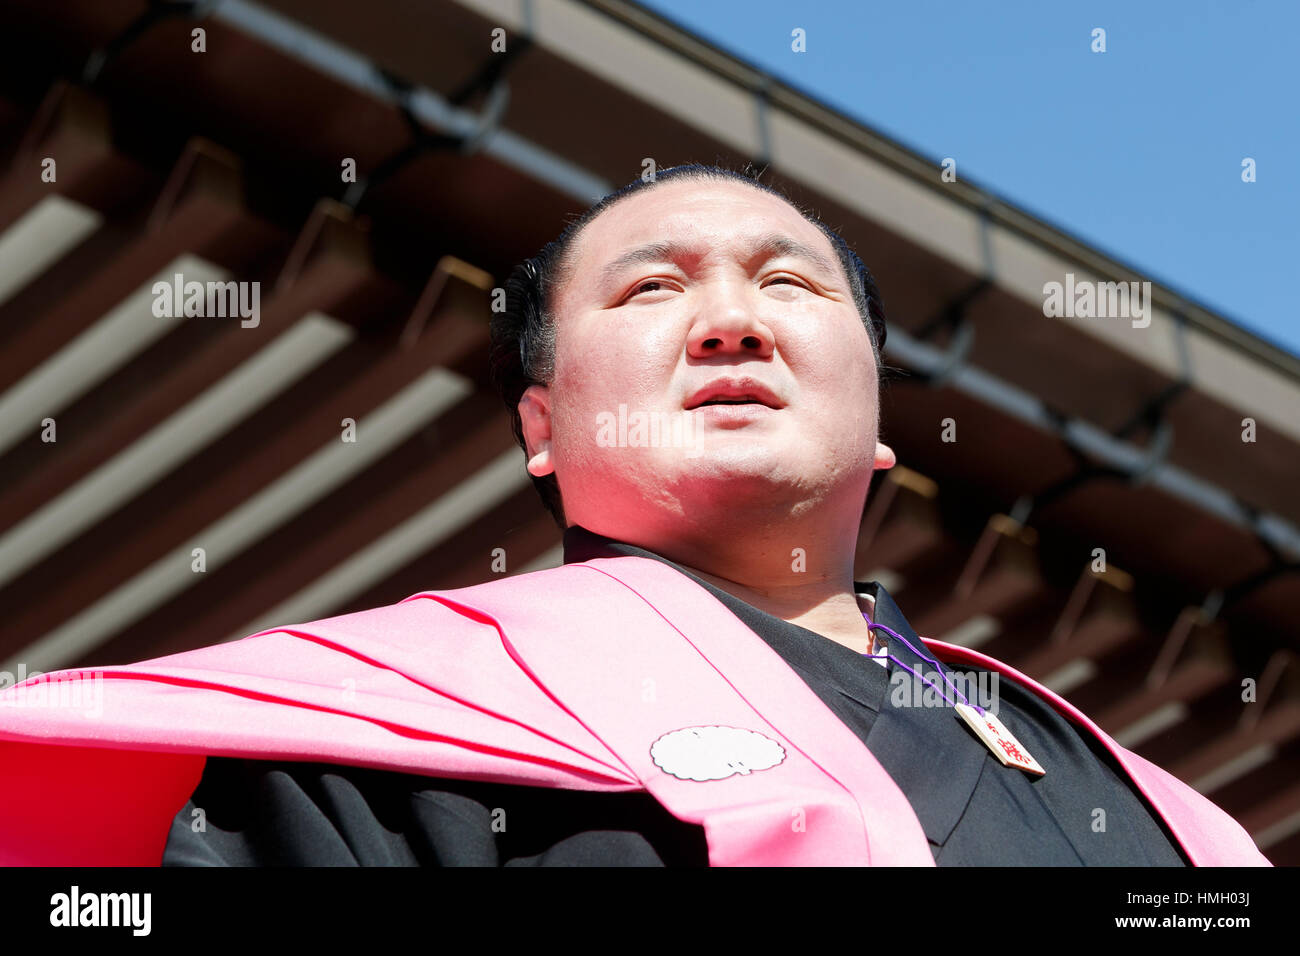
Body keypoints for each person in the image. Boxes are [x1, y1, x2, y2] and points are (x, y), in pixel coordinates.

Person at [0, 164, 1269, 866]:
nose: (732, 318)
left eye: (789, 282)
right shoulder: (379, 740)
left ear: (880, 421)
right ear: (542, 429)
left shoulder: (1154, 807)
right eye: (652, 287)